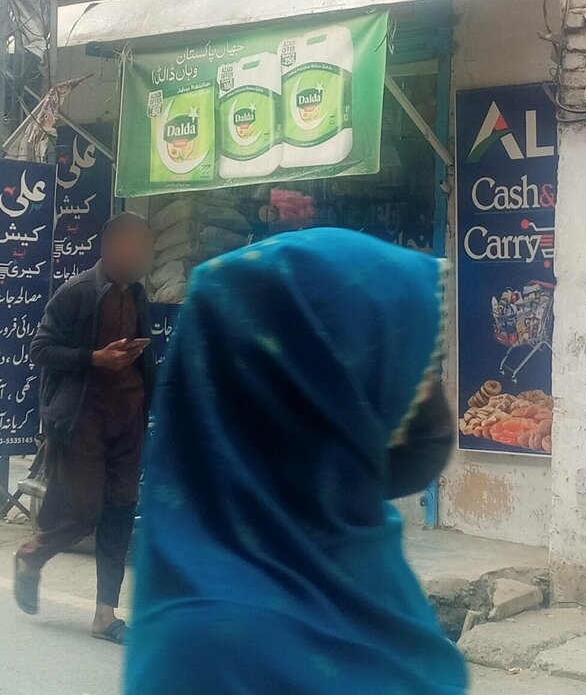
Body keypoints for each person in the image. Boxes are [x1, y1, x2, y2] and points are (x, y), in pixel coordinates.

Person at [125, 229, 467, 695]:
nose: (427, 394)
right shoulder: (206, 653)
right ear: (317, 389)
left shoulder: (357, 539)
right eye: (414, 368)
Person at [14, 211, 156, 645]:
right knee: (85, 510)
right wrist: (96, 358)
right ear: (108, 247)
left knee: (119, 511)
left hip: (127, 419)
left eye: (144, 249)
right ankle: (32, 555)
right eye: (131, 246)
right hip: (82, 420)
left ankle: (105, 614)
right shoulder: (75, 293)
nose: (139, 256)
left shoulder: (138, 294)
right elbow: (40, 348)